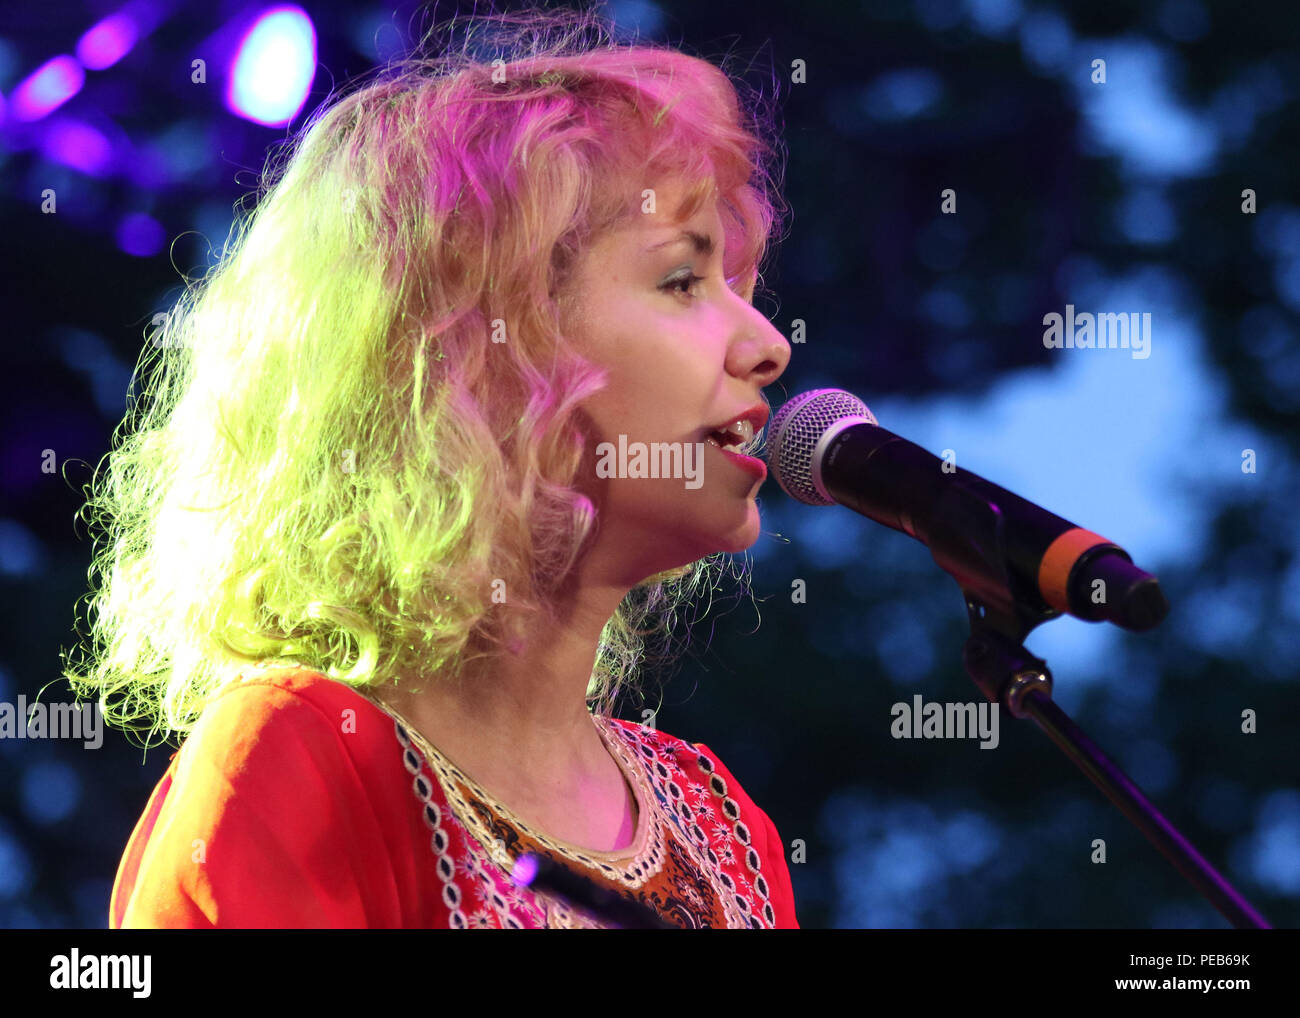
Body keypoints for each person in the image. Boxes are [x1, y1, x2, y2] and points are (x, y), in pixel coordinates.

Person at [65, 7, 797, 929]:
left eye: (743, 286)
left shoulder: (720, 826)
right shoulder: (304, 757)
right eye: (684, 281)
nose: (767, 345)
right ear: (485, 355)